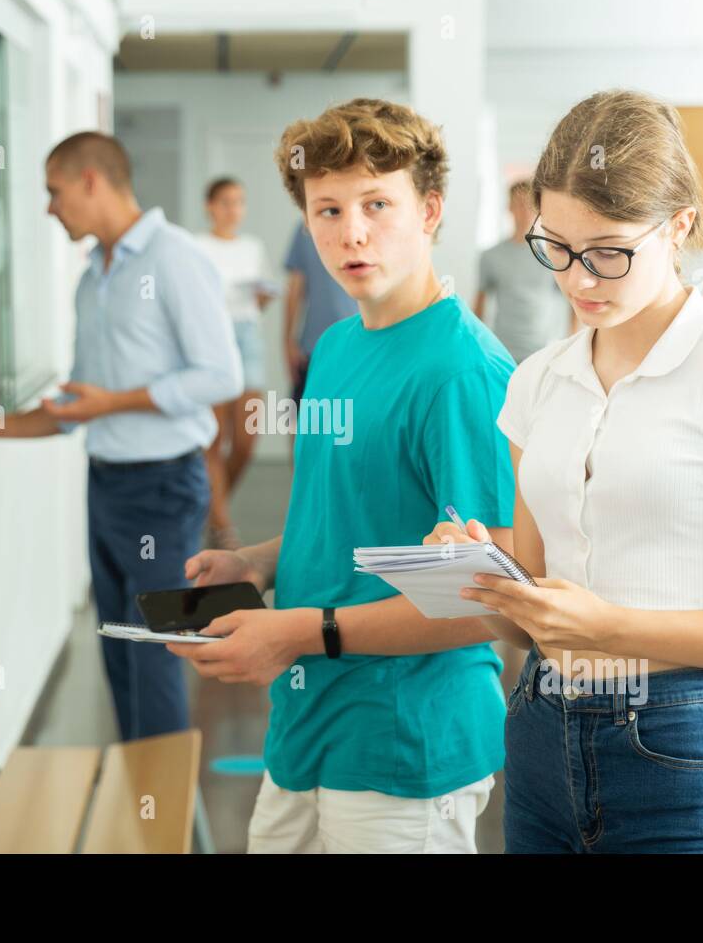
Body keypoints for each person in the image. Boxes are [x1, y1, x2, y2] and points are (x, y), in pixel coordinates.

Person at [427, 89, 703, 853]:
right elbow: (527, 618)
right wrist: (479, 572)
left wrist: (611, 626)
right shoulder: (536, 382)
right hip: (539, 734)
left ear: (678, 225)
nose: (580, 279)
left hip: (675, 748)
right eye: (556, 246)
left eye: (610, 251)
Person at [168, 98, 516, 853]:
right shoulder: (334, 347)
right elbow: (350, 516)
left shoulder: (463, 370)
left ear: (430, 211)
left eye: (377, 204)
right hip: (305, 721)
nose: (350, 232)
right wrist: (257, 564)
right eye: (326, 209)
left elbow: (489, 601)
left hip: (403, 736)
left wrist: (301, 631)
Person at [0, 132, 241, 741]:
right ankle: (137, 806)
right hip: (106, 485)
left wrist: (116, 402)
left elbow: (221, 375)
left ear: (90, 181)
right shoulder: (93, 279)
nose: (50, 209)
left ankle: (164, 826)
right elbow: (79, 408)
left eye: (54, 192)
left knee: (156, 657)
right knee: (120, 652)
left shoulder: (172, 259)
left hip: (163, 488)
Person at [195, 177, 275, 550]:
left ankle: (209, 506)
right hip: (211, 337)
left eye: (239, 202)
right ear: (210, 206)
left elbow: (261, 300)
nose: (233, 210)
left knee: (245, 441)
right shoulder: (196, 246)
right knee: (214, 440)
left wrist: (260, 296)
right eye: (226, 202)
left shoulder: (252, 247)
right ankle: (223, 528)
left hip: (246, 336)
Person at [475, 179, 573, 362]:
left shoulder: (554, 257)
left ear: (538, 210)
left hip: (542, 353)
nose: (524, 211)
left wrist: (571, 344)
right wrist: (476, 344)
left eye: (529, 205)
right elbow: (479, 306)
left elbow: (574, 302)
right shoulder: (491, 256)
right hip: (501, 351)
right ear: (509, 208)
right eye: (519, 204)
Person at [281, 221, 358, 409]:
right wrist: (289, 341)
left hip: (357, 347)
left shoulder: (362, 227)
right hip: (312, 348)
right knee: (303, 423)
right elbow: (295, 289)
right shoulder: (306, 228)